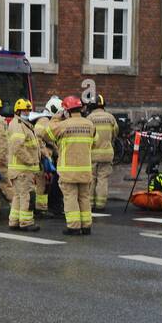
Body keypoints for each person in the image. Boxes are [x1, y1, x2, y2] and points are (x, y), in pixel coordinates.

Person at [49, 95, 95, 236]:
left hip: (68, 170)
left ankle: (74, 227)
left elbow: (49, 133)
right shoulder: (89, 124)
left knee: (70, 197)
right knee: (84, 197)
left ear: (66, 111)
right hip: (85, 169)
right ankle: (86, 226)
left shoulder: (62, 125)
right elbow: (94, 141)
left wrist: (57, 117)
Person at [6, 98, 41, 232]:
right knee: (26, 195)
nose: (27, 112)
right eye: (24, 110)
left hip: (20, 169)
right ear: (17, 111)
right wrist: (30, 160)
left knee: (18, 195)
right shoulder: (18, 125)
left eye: (28, 110)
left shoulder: (23, 124)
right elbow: (17, 147)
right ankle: (26, 222)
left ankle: (14, 221)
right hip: (23, 169)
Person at [87, 93, 118, 211]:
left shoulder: (89, 118)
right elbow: (115, 133)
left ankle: (89, 204)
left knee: (91, 179)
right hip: (107, 154)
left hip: (92, 154)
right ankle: (100, 205)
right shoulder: (110, 117)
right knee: (102, 179)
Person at [0, 96, 15, 218]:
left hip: (1, 159)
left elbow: (1, 142)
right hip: (0, 157)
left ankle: (17, 210)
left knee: (5, 184)